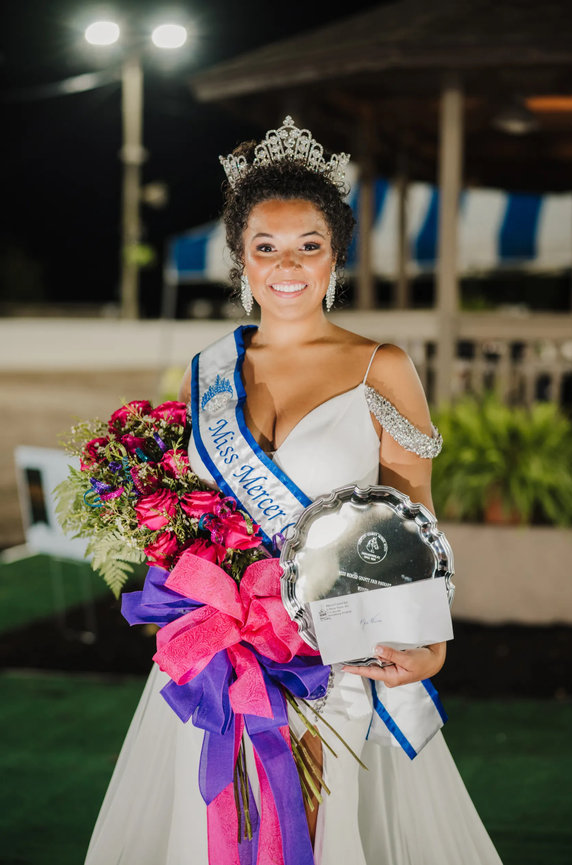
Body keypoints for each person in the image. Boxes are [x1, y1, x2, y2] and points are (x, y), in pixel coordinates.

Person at [85, 117, 503, 864]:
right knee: (216, 829)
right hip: (220, 660)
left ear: (335, 255)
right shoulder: (210, 370)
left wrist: (432, 642)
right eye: (265, 247)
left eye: (308, 246)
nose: (288, 266)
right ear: (240, 259)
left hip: (331, 650)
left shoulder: (381, 366)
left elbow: (415, 512)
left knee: (318, 830)